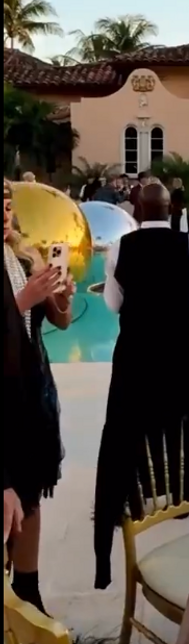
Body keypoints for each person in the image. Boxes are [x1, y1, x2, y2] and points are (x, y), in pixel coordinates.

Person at [95, 183, 189, 588]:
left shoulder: (121, 248)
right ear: (172, 210)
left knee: (122, 430)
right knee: (183, 423)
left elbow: (114, 305)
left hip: (133, 357)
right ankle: (187, 499)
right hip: (175, 356)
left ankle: (120, 522)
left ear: (136, 208)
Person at [3, 179, 75, 612]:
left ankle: (28, 591)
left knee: (30, 492)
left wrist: (58, 297)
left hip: (31, 393)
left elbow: (60, 323)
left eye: (7, 204)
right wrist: (21, 299)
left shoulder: (22, 254)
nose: (5, 212)